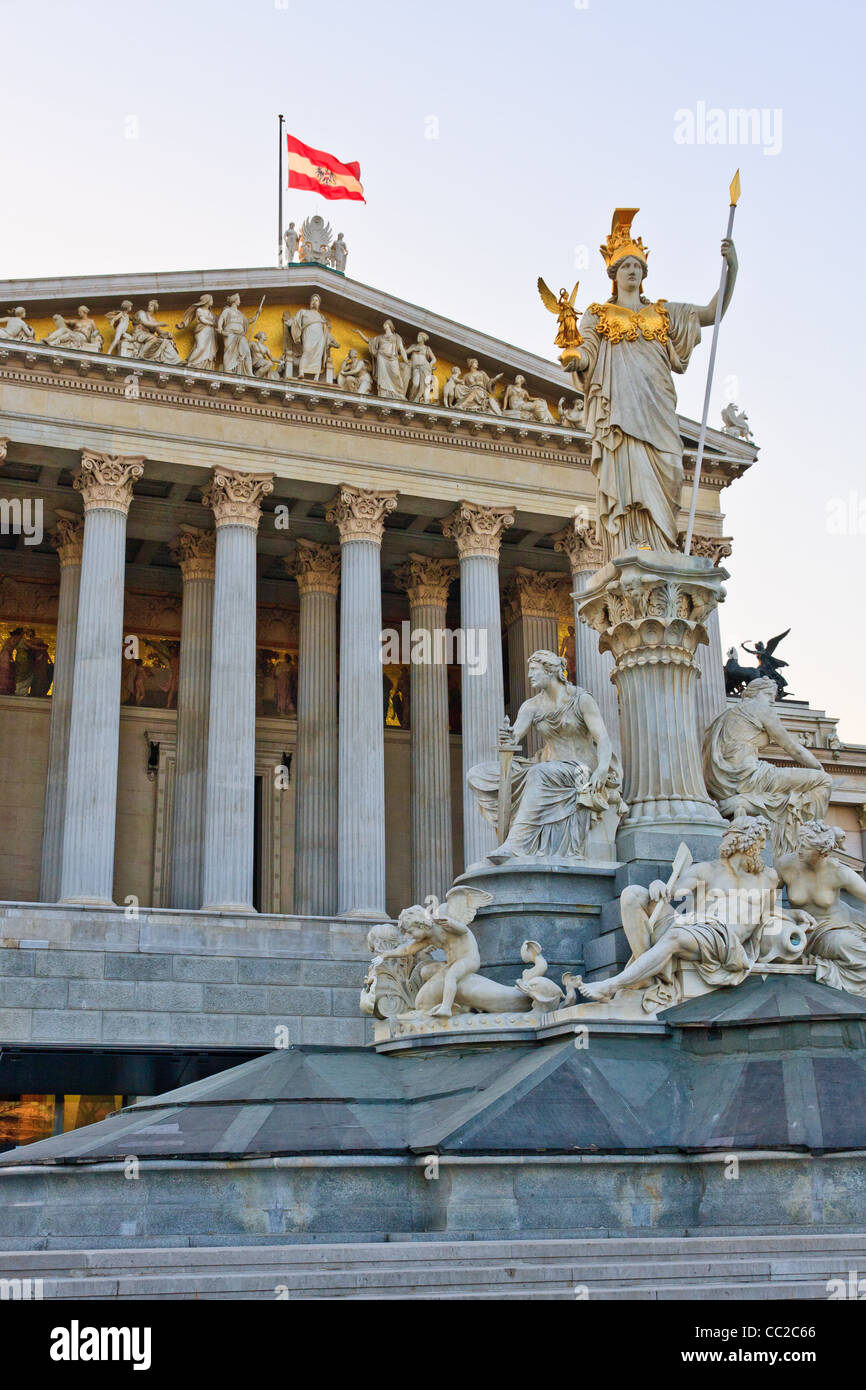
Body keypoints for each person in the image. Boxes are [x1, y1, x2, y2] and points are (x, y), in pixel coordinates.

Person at [568, 209, 737, 563]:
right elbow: (586, 353)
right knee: (629, 480)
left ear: (644, 274)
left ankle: (661, 548)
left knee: (671, 469)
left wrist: (731, 268)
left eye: (637, 266)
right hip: (621, 416)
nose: (632, 270)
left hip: (658, 412)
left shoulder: (663, 314)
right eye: (625, 265)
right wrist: (576, 360)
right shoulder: (598, 315)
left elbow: (712, 312)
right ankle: (634, 547)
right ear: (613, 273)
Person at [579, 816, 809, 1007]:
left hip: (724, 939)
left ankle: (612, 985)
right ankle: (645, 975)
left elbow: (768, 911)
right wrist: (658, 886)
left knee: (677, 936)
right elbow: (674, 892)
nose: (763, 847)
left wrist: (793, 915)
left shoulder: (767, 877)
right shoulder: (706, 870)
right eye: (759, 841)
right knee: (632, 894)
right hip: (695, 925)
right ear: (742, 842)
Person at [467, 648, 626, 862]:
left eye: (534, 670)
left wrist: (602, 769)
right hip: (547, 767)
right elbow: (514, 737)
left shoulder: (580, 699)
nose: (530, 675)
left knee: (539, 773)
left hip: (580, 769)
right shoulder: (531, 706)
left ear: (550, 671)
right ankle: (519, 836)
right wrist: (507, 737)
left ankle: (516, 843)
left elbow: (603, 739)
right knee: (477, 774)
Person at [702, 677, 832, 855]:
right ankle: (814, 834)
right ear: (753, 693)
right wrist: (819, 768)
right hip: (751, 776)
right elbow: (793, 748)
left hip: (724, 782)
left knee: (789, 794)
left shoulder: (725, 715)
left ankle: (748, 804)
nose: (772, 700)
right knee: (822, 781)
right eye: (769, 694)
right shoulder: (760, 709)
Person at [777, 820, 866, 997]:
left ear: (822, 853)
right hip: (802, 929)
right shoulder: (786, 865)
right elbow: (762, 904)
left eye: (805, 847)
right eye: (799, 843)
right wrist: (789, 913)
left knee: (850, 946)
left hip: (834, 928)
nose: (799, 849)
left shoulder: (839, 872)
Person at [176, 295, 218, 370]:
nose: (212, 302)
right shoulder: (199, 310)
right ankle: (190, 363)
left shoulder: (210, 312)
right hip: (202, 330)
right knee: (201, 347)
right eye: (211, 300)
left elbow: (217, 320)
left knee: (209, 350)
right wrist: (212, 323)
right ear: (206, 301)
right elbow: (202, 320)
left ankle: (204, 365)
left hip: (210, 332)